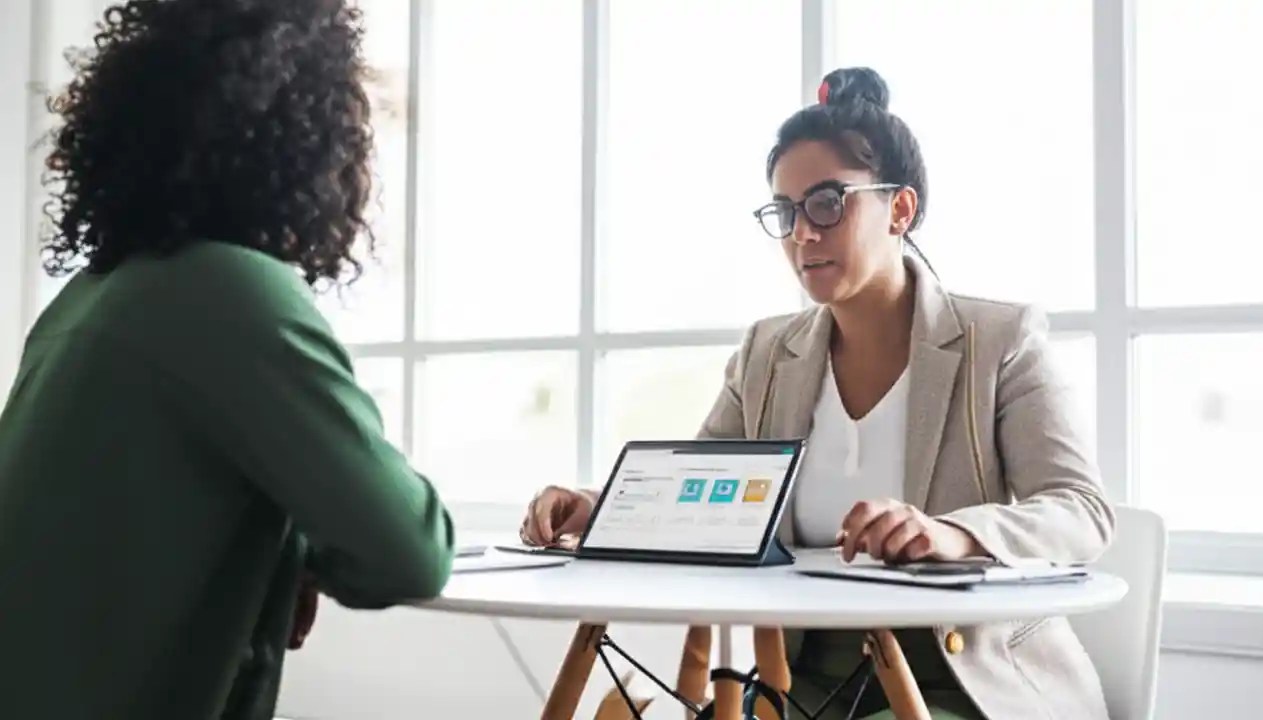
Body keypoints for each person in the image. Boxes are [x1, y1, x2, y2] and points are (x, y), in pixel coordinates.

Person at [519, 67, 1114, 719]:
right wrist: (593, 509)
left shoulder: (998, 340)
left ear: (901, 209)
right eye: (786, 210)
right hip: (803, 689)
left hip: (966, 684)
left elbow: (1080, 510)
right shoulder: (768, 354)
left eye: (829, 203)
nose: (803, 233)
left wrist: (949, 534)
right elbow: (691, 498)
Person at [0, 1, 454, 719]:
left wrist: (294, 545)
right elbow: (409, 552)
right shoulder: (233, 294)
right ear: (305, 142)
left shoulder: (89, 297)